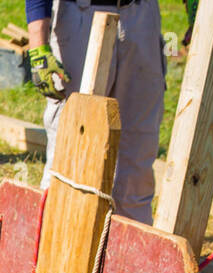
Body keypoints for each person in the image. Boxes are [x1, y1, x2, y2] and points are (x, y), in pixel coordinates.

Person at [26, 0, 164, 222]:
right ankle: (57, 247)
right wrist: (37, 41)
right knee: (69, 157)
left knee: (138, 156)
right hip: (82, 16)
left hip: (142, 17)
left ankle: (127, 252)